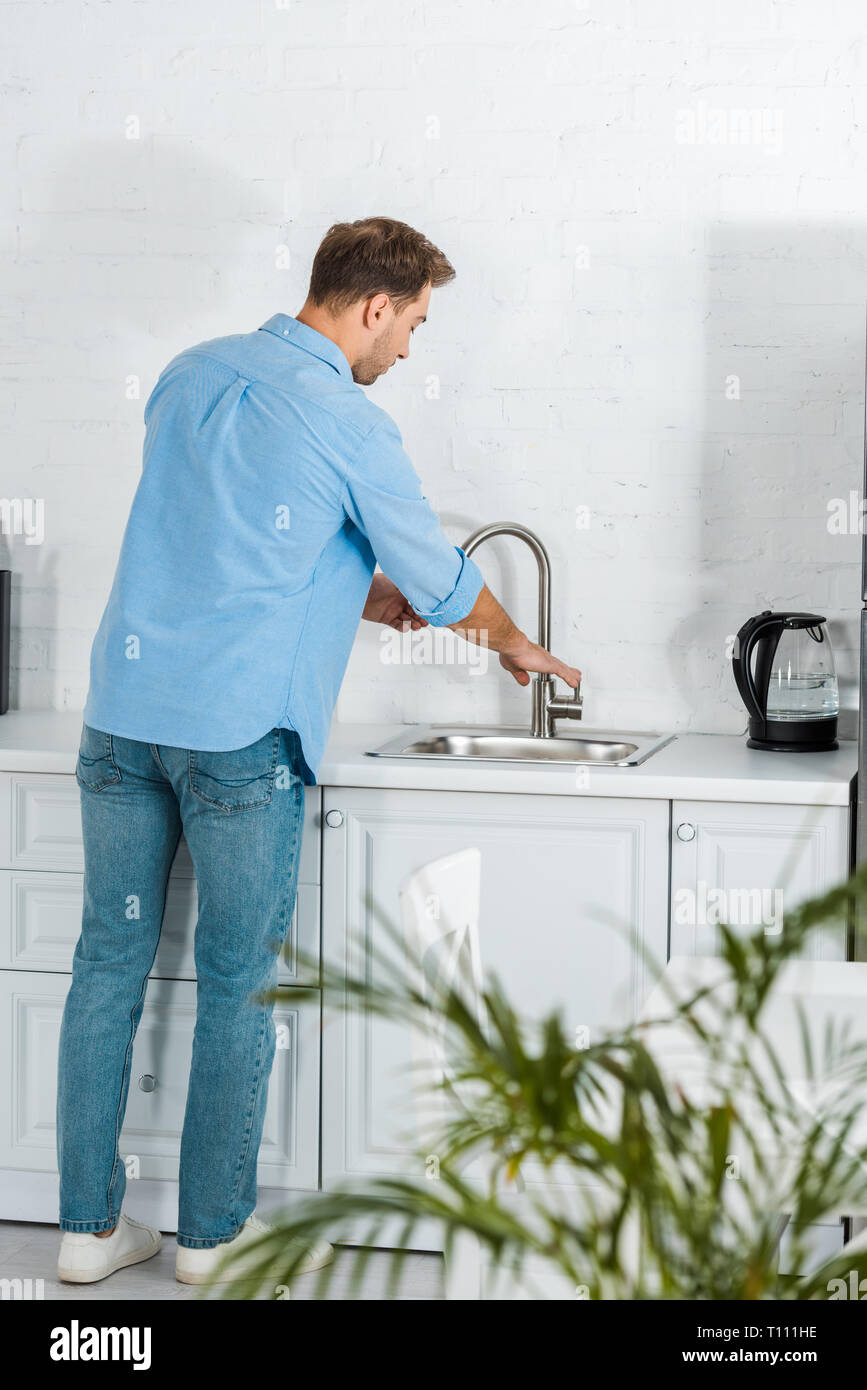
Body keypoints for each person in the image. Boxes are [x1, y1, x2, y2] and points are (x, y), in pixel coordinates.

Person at [56, 216, 581, 1286]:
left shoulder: (188, 374)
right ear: (375, 305)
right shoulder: (347, 418)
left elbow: (233, 533)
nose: (407, 352)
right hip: (236, 739)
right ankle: (211, 1241)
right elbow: (440, 577)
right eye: (413, 326)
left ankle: (84, 1231)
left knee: (105, 968)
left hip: (122, 717)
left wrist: (357, 593)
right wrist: (513, 639)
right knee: (240, 985)